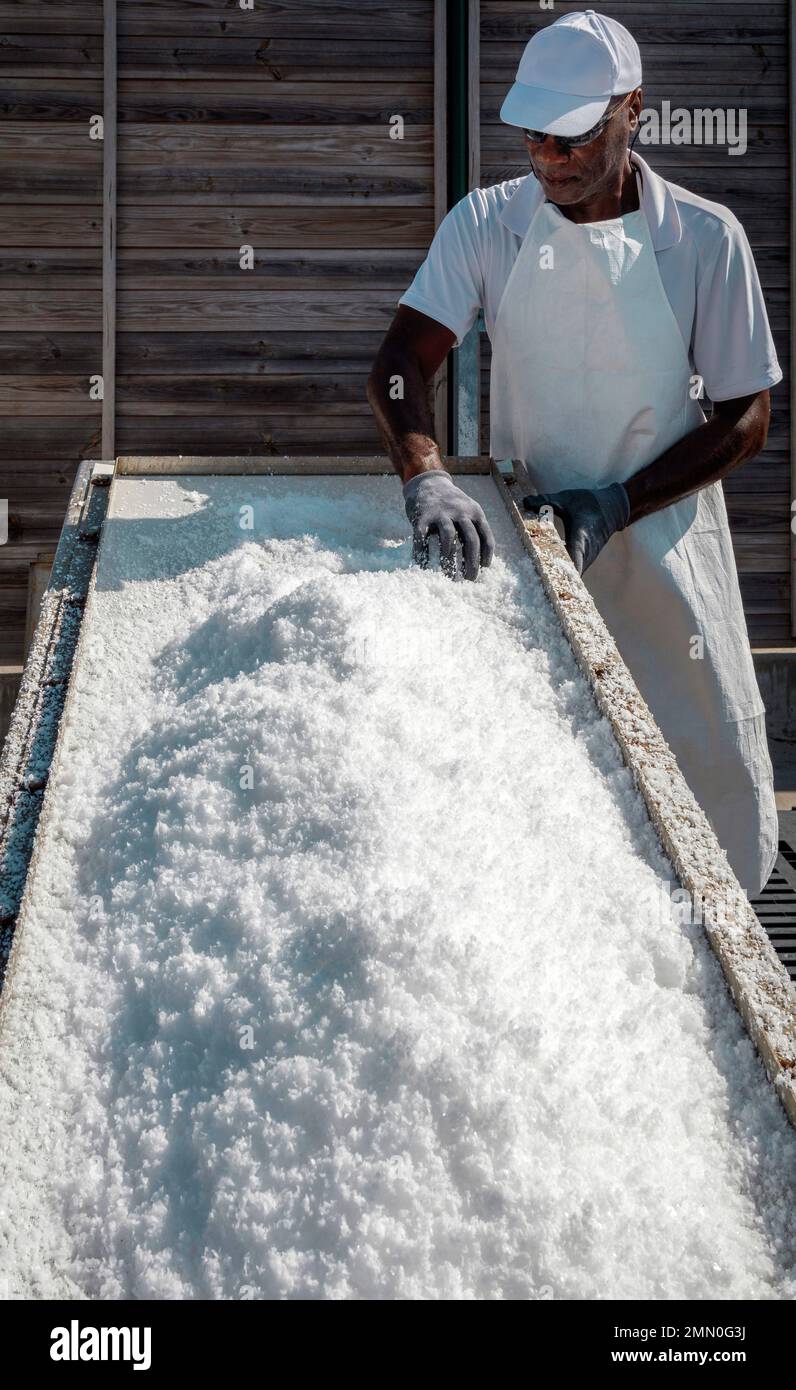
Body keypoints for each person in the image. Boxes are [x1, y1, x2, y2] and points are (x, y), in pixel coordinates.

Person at [366, 9, 781, 896]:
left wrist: (618, 502)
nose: (551, 162)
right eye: (534, 141)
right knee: (549, 817)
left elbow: (748, 418)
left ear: (633, 108)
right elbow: (403, 361)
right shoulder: (489, 224)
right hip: (539, 555)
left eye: (574, 139)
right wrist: (425, 471)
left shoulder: (704, 239)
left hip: (667, 557)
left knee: (698, 809)